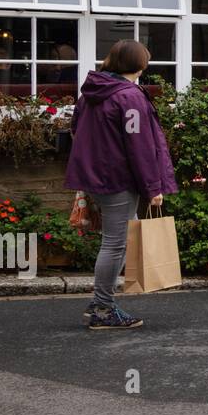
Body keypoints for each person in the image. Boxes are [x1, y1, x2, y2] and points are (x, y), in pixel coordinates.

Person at [65, 40, 178, 330]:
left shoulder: (93, 92)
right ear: (140, 65)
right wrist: (153, 188)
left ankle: (100, 304)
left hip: (96, 175)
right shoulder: (129, 97)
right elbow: (138, 146)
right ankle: (102, 307)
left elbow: (76, 129)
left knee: (115, 241)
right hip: (116, 179)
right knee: (115, 244)